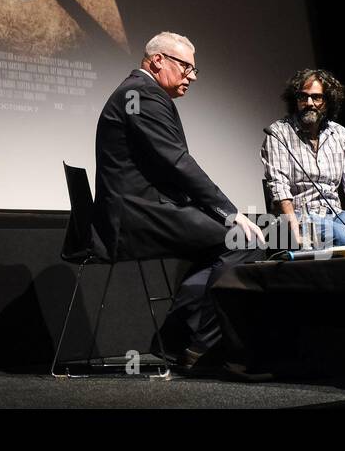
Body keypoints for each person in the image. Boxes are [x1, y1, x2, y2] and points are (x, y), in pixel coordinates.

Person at [93, 31, 265, 374]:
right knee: (245, 237)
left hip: (144, 207)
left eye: (194, 70)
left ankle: (176, 339)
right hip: (135, 215)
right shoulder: (142, 94)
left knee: (226, 242)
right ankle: (200, 346)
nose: (192, 76)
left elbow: (168, 165)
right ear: (158, 60)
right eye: (186, 67)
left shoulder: (141, 93)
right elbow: (177, 161)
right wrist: (229, 213)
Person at [261, 68, 345, 248]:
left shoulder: (339, 134)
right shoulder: (279, 133)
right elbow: (279, 188)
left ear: (328, 101)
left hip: (335, 214)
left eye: (316, 97)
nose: (309, 102)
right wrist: (294, 233)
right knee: (343, 239)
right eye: (303, 97)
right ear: (295, 100)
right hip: (301, 216)